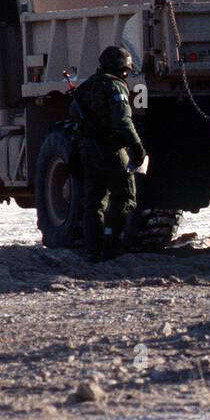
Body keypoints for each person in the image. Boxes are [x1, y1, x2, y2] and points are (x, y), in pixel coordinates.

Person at [70, 45, 146, 262]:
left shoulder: (86, 87)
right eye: (126, 70)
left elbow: (73, 112)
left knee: (94, 200)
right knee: (124, 197)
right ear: (121, 69)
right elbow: (123, 121)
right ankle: (113, 247)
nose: (127, 74)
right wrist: (137, 147)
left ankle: (94, 250)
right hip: (110, 149)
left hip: (88, 148)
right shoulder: (115, 87)